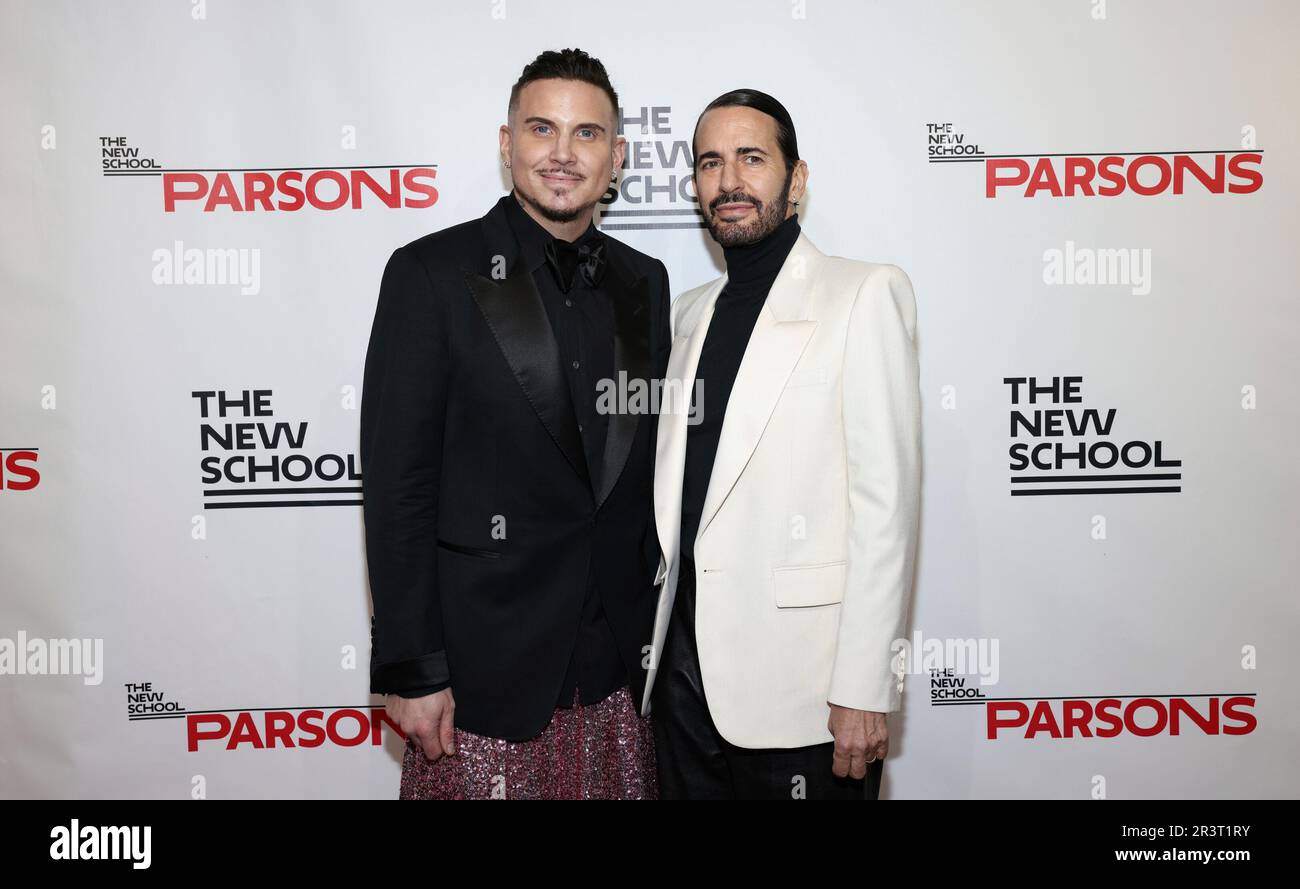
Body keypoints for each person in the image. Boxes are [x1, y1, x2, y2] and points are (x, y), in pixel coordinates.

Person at [360, 48, 671, 799]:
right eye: (542, 129)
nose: (563, 153)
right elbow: (397, 486)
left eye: (588, 134)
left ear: (618, 156)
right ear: (508, 146)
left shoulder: (646, 282)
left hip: (613, 684)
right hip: (477, 684)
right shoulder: (429, 273)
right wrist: (412, 667)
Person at [643, 88, 922, 799]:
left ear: (796, 179)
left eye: (751, 158)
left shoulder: (862, 294)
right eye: (710, 163)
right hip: (681, 688)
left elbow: (885, 510)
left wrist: (864, 686)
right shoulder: (687, 316)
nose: (728, 180)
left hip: (805, 694)